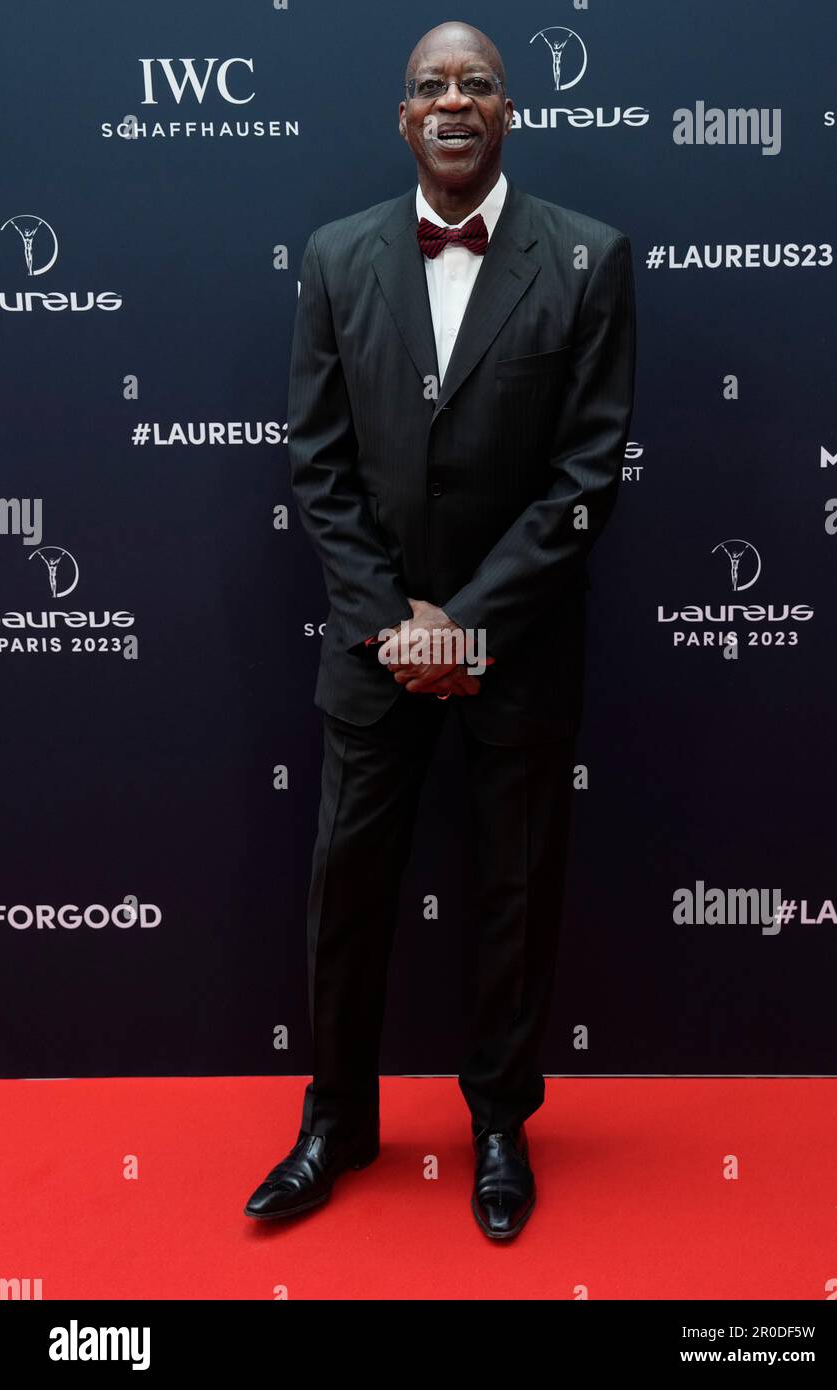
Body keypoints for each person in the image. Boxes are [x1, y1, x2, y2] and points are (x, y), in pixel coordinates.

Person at [245, 19, 636, 1239]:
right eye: (430, 85)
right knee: (346, 889)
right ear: (401, 116)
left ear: (508, 110)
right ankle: (335, 1120)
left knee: (513, 895)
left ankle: (499, 1123)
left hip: (513, 653)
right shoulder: (333, 256)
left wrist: (461, 626)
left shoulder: (587, 257)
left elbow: (584, 473)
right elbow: (316, 465)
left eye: (476, 83)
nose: (453, 100)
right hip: (371, 651)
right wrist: (390, 622)